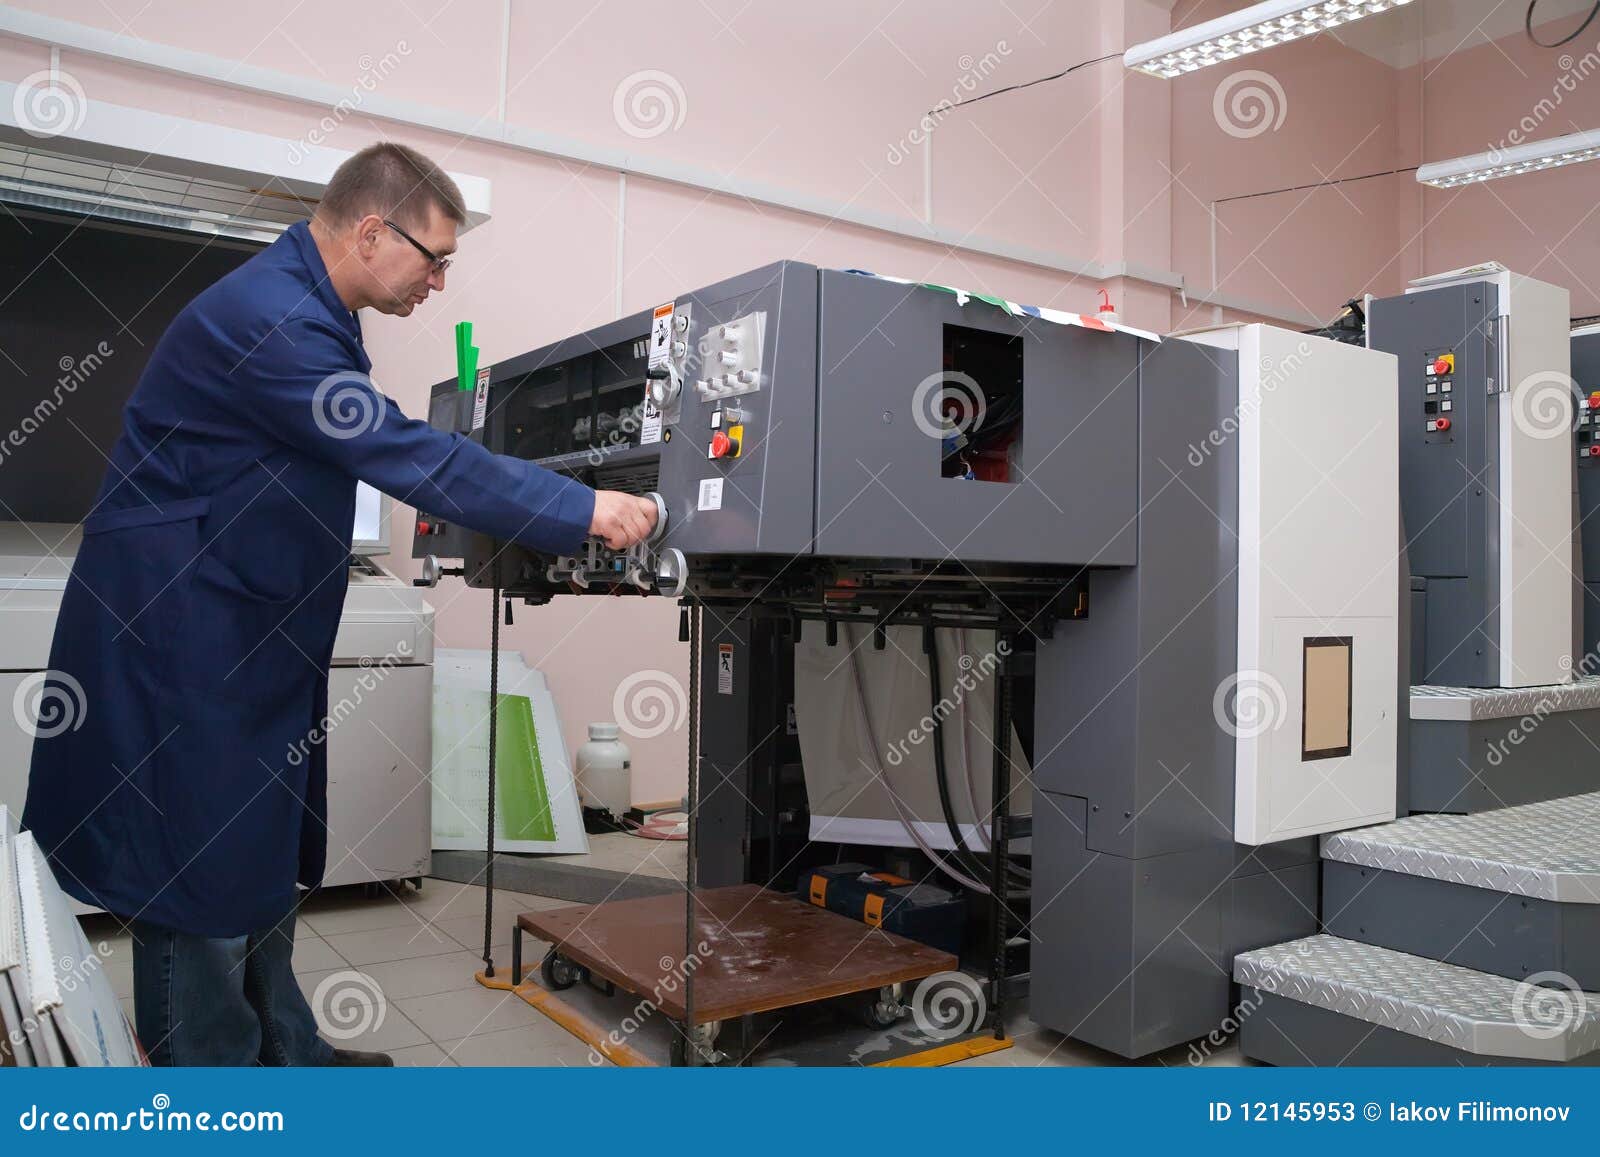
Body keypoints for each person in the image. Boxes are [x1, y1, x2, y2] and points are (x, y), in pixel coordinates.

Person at [21, 142, 658, 1066]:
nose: (439, 281)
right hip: (183, 633)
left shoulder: (308, 308)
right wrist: (582, 507)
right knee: (192, 867)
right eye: (433, 257)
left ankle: (286, 1048)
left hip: (244, 627)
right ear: (370, 230)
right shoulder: (271, 319)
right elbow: (406, 453)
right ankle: (213, 1083)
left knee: (256, 847)